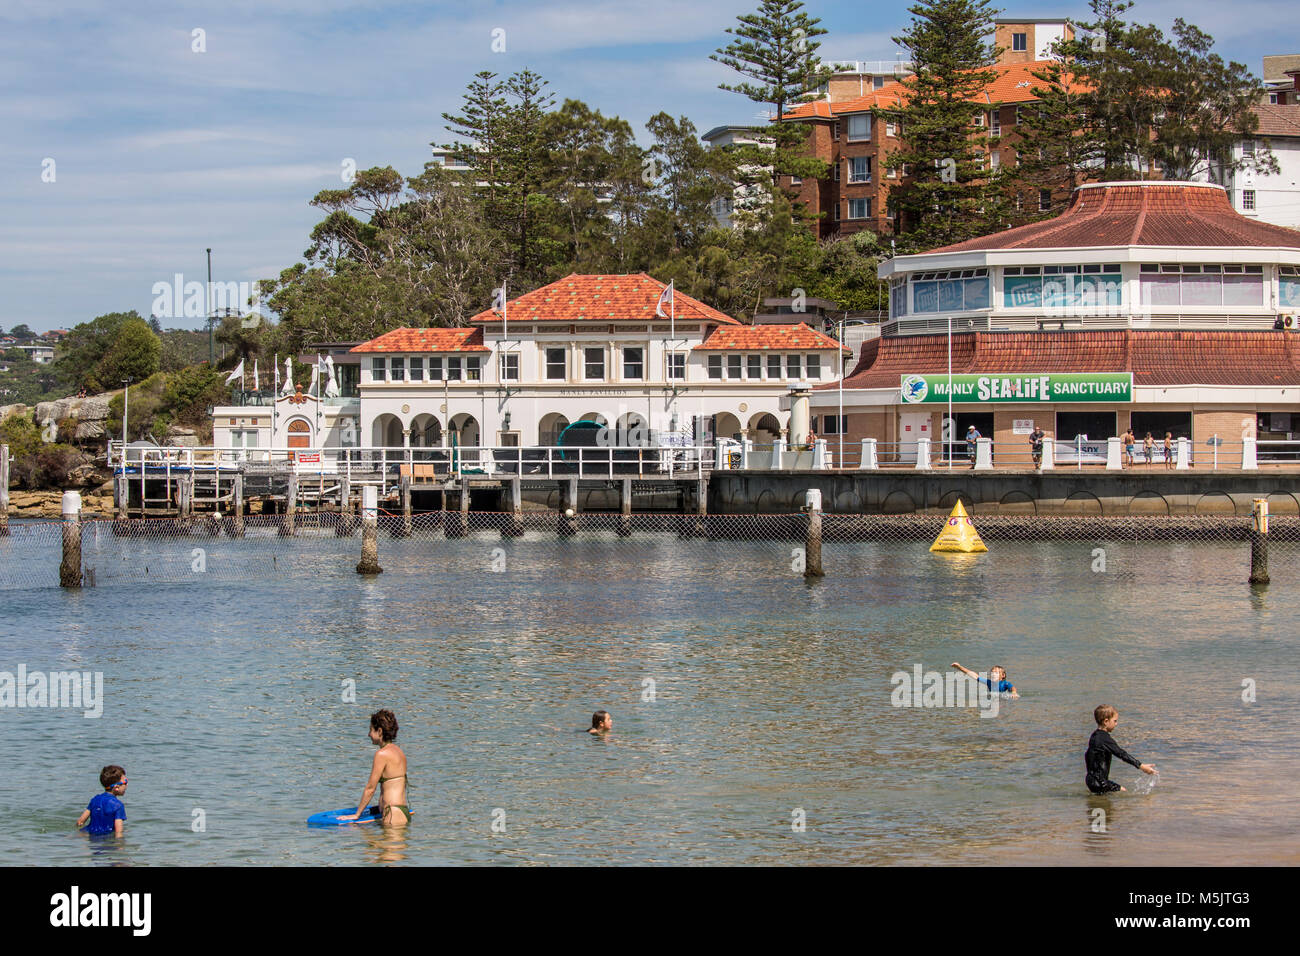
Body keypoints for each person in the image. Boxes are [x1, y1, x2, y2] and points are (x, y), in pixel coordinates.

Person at [339, 710, 410, 826]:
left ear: (380, 731)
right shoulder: (399, 752)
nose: (369, 734)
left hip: (392, 815)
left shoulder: (381, 754)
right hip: (401, 811)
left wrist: (357, 815)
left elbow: (370, 788)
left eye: (371, 730)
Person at [1085, 705, 1156, 793]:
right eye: (1115, 721)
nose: (1116, 724)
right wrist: (1142, 766)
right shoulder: (1105, 739)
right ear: (1106, 721)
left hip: (1090, 779)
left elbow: (1087, 755)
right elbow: (1121, 754)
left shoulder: (1094, 736)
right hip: (1100, 782)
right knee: (1123, 792)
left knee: (1103, 803)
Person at [76, 765, 127, 836]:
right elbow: (119, 832)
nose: (126, 785)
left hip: (89, 832)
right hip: (104, 836)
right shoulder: (118, 805)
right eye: (125, 782)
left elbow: (80, 822)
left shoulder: (95, 800)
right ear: (117, 787)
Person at [950, 662, 1019, 698]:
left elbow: (1013, 688)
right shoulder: (989, 682)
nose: (993, 674)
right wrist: (959, 667)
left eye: (996, 673)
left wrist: (1014, 693)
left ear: (1003, 675)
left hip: (1003, 701)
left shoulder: (1005, 683)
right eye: (992, 672)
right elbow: (974, 675)